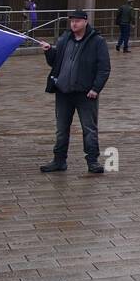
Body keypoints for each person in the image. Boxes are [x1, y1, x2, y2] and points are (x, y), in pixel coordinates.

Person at [38, 9, 111, 174]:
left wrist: (95, 88)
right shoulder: (64, 39)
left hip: (86, 93)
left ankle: (92, 161)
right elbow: (55, 63)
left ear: (85, 22)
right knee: (61, 128)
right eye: (72, 21)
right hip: (63, 92)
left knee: (89, 128)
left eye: (77, 21)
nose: (74, 24)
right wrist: (49, 51)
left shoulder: (97, 41)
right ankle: (59, 160)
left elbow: (104, 68)